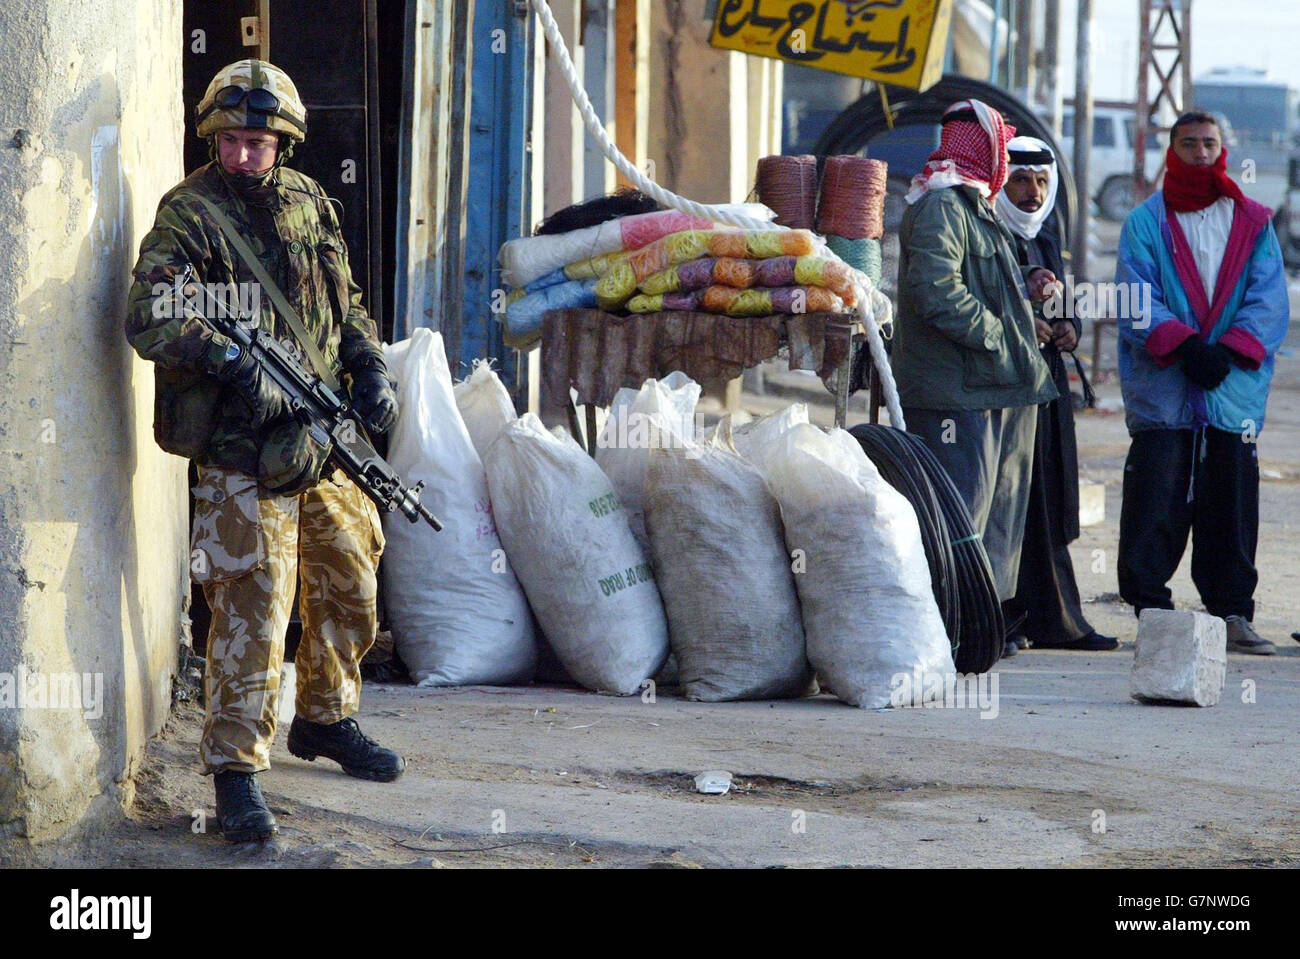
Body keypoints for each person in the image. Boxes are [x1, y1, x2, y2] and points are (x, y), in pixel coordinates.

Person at [125, 59, 406, 843]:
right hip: (240, 449)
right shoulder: (190, 213)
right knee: (252, 606)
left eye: (258, 142)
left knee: (352, 578)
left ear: (284, 141)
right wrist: (237, 362)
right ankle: (236, 774)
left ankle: (323, 717)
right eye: (232, 140)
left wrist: (370, 368)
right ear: (213, 137)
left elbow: (345, 302)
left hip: (320, 438)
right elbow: (147, 312)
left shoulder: (311, 202)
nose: (244, 155)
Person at [1114, 110, 1289, 655]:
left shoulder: (1255, 221)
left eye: (1208, 142)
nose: (1199, 152)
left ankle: (1233, 612)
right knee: (1156, 497)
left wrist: (1229, 349)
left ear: (1223, 148)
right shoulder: (1145, 222)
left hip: (1229, 388)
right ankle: (1150, 611)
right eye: (1188, 143)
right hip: (1165, 384)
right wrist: (1182, 344)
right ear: (1171, 150)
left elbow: (1269, 297)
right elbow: (1134, 295)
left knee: (1231, 503)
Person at [893, 100, 1060, 660]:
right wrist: (998, 334)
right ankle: (945, 634)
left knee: (992, 520)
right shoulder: (944, 205)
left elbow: (984, 277)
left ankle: (977, 631)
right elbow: (938, 292)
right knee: (958, 521)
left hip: (994, 388)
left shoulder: (974, 206)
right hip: (955, 393)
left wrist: (1026, 282)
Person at [995, 136, 1117, 652]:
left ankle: (1054, 620)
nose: (1031, 192)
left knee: (1047, 498)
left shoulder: (1046, 233)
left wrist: (1067, 327)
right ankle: (1004, 619)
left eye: (1041, 182)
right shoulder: (990, 231)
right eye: (1020, 180)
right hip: (1004, 387)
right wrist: (1026, 326)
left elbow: (1062, 298)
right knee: (1007, 503)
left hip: (1046, 385)